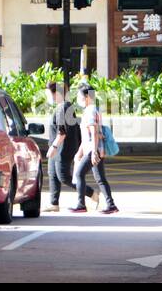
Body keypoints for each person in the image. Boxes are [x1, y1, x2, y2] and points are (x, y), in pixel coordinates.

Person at [45, 81, 93, 212]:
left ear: (57, 94)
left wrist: (53, 147)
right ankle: (53, 203)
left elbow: (62, 131)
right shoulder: (63, 106)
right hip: (59, 147)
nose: (47, 97)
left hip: (63, 148)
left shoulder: (63, 107)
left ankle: (92, 194)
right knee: (52, 174)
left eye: (48, 94)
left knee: (64, 177)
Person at [70, 84, 118, 215]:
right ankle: (111, 205)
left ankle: (81, 205)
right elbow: (89, 136)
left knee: (79, 174)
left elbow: (94, 131)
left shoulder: (90, 110)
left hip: (93, 150)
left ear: (86, 97)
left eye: (79, 96)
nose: (78, 99)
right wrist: (80, 152)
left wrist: (94, 152)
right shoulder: (93, 109)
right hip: (93, 149)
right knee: (100, 178)